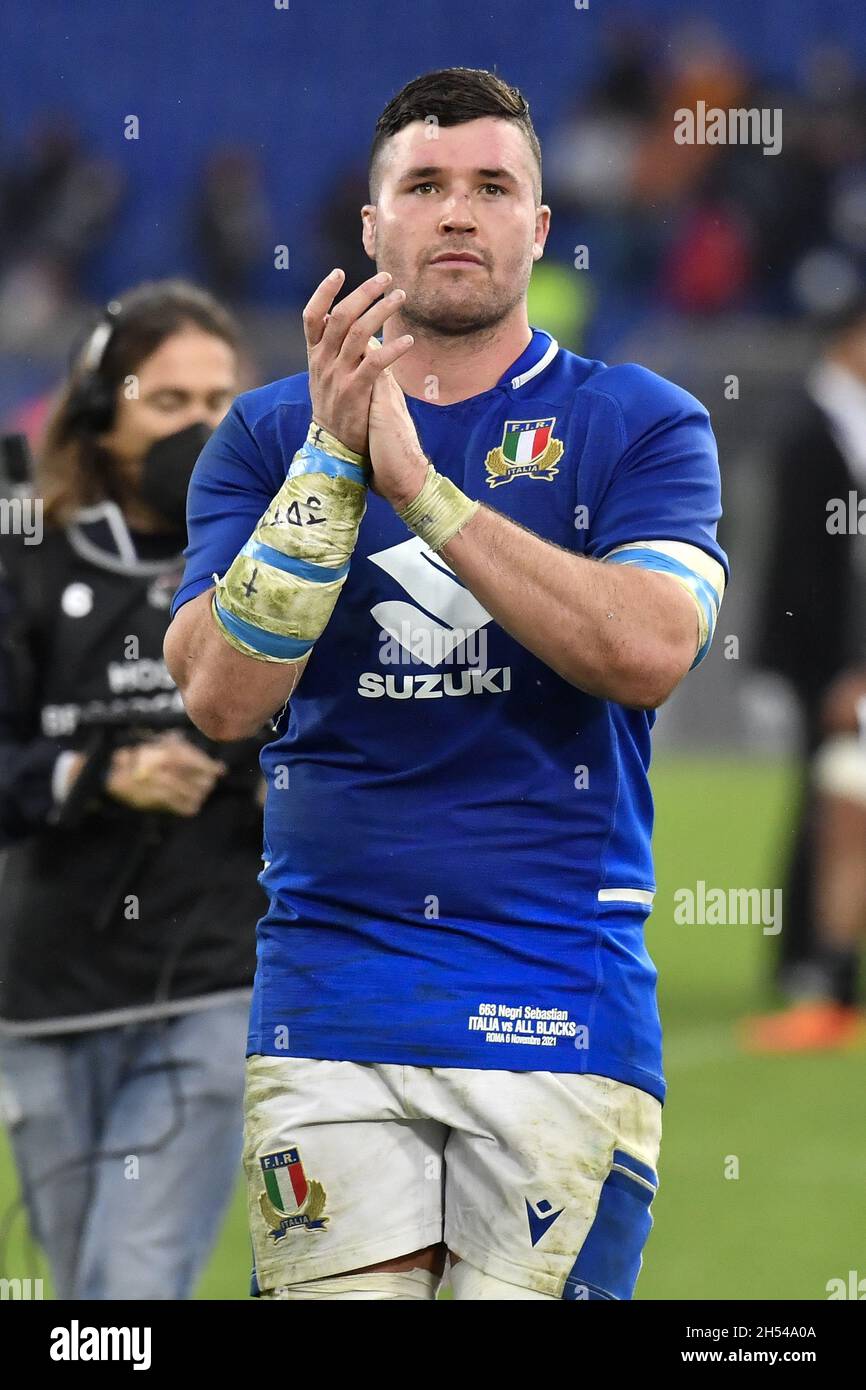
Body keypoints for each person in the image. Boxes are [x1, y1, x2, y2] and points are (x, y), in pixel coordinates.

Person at [165, 68, 728, 1302]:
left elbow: (646, 652)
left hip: (558, 1003)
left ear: (538, 225)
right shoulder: (263, 439)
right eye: (423, 186)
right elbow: (217, 696)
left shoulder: (641, 422)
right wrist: (333, 461)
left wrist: (426, 491)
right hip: (331, 1000)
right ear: (371, 226)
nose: (456, 212)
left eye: (492, 186)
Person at [0, 280, 265, 1299]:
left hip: (209, 981)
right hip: (48, 991)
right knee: (81, 1296)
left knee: (130, 1285)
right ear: (101, 416)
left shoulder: (279, 564)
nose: (199, 429)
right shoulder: (27, 561)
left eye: (217, 404)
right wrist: (98, 773)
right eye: (168, 404)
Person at [744, 293, 866, 1051]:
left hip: (839, 660)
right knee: (832, 806)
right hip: (824, 661)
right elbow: (802, 569)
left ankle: (822, 967)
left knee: (836, 804)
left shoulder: (841, 423)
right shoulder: (812, 432)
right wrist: (834, 670)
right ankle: (814, 970)